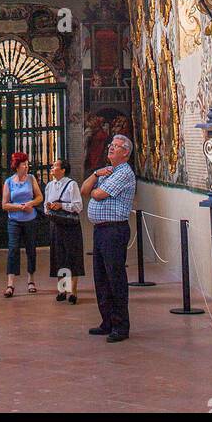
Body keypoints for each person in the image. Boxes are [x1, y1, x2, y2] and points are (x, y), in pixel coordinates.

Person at [81, 133, 136, 343]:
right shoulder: (106, 171)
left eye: (117, 146)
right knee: (101, 278)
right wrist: (96, 174)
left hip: (114, 231)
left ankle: (121, 326)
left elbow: (97, 194)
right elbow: (85, 189)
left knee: (115, 278)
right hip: (101, 230)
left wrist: (96, 187)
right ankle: (107, 321)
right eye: (111, 144)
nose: (111, 148)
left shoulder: (124, 173)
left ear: (126, 153)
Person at [1, 151, 42, 297]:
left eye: (27, 164)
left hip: (30, 220)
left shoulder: (31, 179)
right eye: (24, 164)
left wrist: (31, 203)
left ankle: (31, 280)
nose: (26, 166)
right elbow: (4, 205)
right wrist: (19, 207)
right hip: (14, 221)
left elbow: (39, 197)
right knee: (13, 249)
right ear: (17, 166)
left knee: (31, 249)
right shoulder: (9, 182)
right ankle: (10, 283)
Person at [44, 158, 83, 304]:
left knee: (72, 256)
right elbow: (45, 205)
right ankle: (61, 289)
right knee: (59, 257)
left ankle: (73, 291)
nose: (52, 168)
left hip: (70, 226)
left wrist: (62, 206)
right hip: (56, 225)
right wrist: (49, 207)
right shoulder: (49, 186)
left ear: (63, 170)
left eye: (55, 166)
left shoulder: (72, 185)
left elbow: (78, 206)